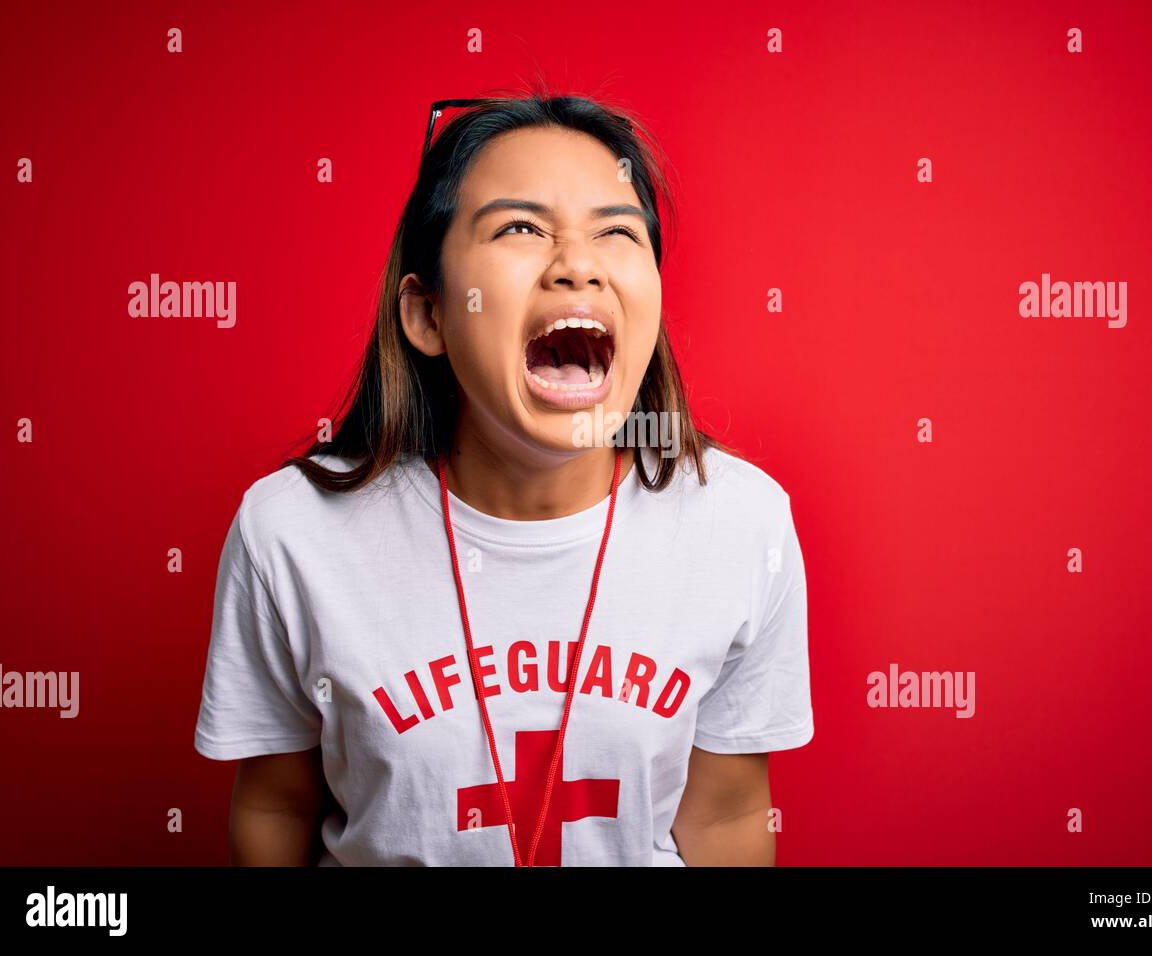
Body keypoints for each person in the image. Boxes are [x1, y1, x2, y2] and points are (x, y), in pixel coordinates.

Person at [193, 90, 814, 866]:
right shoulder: (290, 532)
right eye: (520, 228)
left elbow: (725, 820)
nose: (578, 265)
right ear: (427, 314)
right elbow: (275, 806)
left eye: (617, 232)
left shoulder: (741, 525)